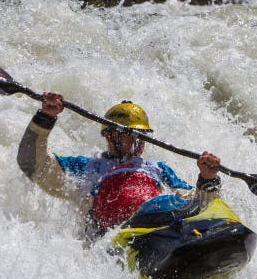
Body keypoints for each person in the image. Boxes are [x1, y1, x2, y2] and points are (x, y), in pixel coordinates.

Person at [17, 92, 221, 238]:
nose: (137, 142)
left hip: (156, 228)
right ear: (109, 136)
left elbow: (200, 203)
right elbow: (32, 166)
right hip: (110, 236)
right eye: (129, 135)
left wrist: (207, 178)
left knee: (170, 205)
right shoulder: (86, 167)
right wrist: (45, 117)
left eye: (142, 136)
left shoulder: (158, 169)